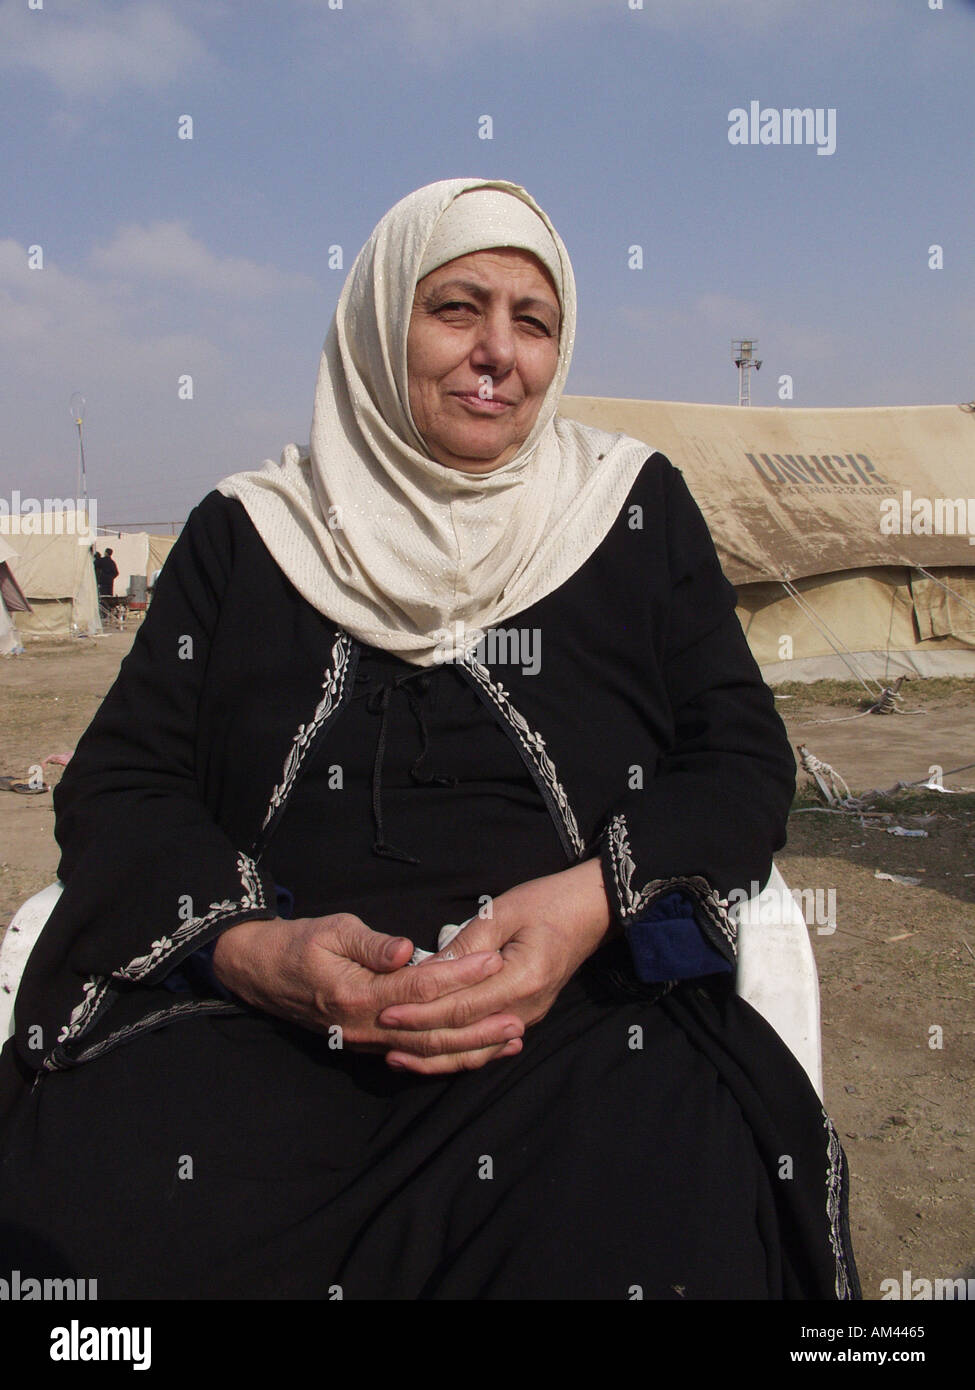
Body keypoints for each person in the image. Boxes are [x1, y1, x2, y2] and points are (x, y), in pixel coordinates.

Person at [0, 177, 859, 1300]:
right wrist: (261, 956)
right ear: (379, 320)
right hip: (256, 1028)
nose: (498, 353)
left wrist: (587, 902)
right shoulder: (247, 536)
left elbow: (742, 757)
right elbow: (121, 787)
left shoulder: (630, 511)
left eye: (533, 321)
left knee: (654, 1219)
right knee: (99, 1231)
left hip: (578, 1023)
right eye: (456, 308)